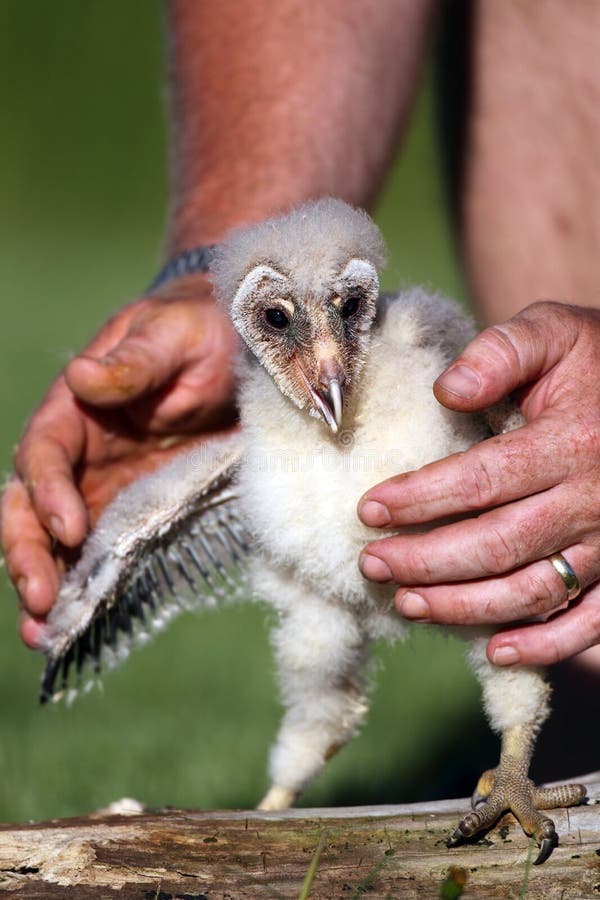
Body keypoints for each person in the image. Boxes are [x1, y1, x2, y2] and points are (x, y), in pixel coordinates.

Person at [2, 0, 600, 674]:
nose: (325, 358)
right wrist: (217, 272)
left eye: (347, 309)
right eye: (277, 320)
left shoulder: (411, 343)